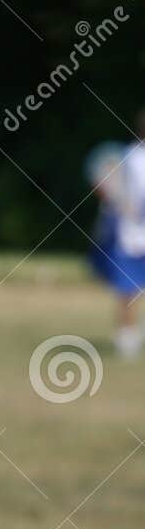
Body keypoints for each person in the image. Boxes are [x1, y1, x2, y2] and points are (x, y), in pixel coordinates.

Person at [87, 120, 145, 358]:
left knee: (127, 290)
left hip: (132, 234)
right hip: (130, 235)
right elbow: (103, 184)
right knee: (128, 288)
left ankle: (127, 338)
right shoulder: (127, 157)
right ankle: (127, 339)